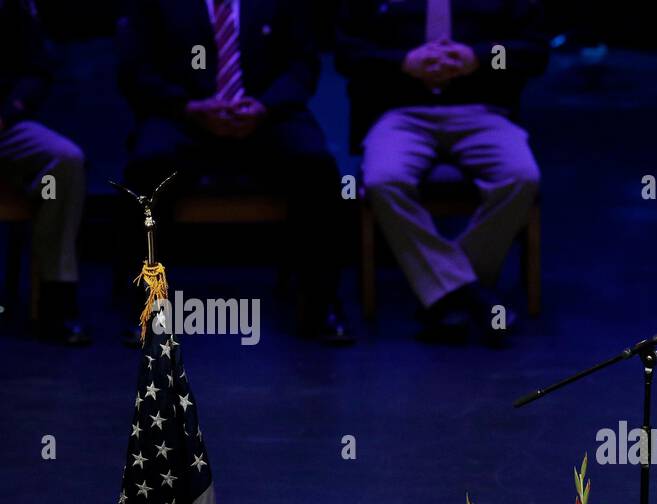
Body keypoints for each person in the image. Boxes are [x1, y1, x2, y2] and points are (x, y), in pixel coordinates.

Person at [117, 0, 352, 344]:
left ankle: (321, 305)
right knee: (149, 166)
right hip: (183, 116)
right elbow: (135, 71)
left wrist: (264, 106)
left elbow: (302, 64)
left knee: (315, 165)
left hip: (266, 116)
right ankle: (147, 305)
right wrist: (189, 107)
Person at [336, 0, 547, 347]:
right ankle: (472, 294)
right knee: (383, 180)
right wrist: (403, 63)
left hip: (484, 110)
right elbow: (347, 55)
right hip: (398, 112)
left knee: (520, 176)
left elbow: (535, 54)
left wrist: (478, 57)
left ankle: (445, 291)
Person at [0, 0, 88, 346]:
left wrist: (8, 113)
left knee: (64, 161)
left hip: (4, 127)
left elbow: (36, 69)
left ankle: (56, 298)